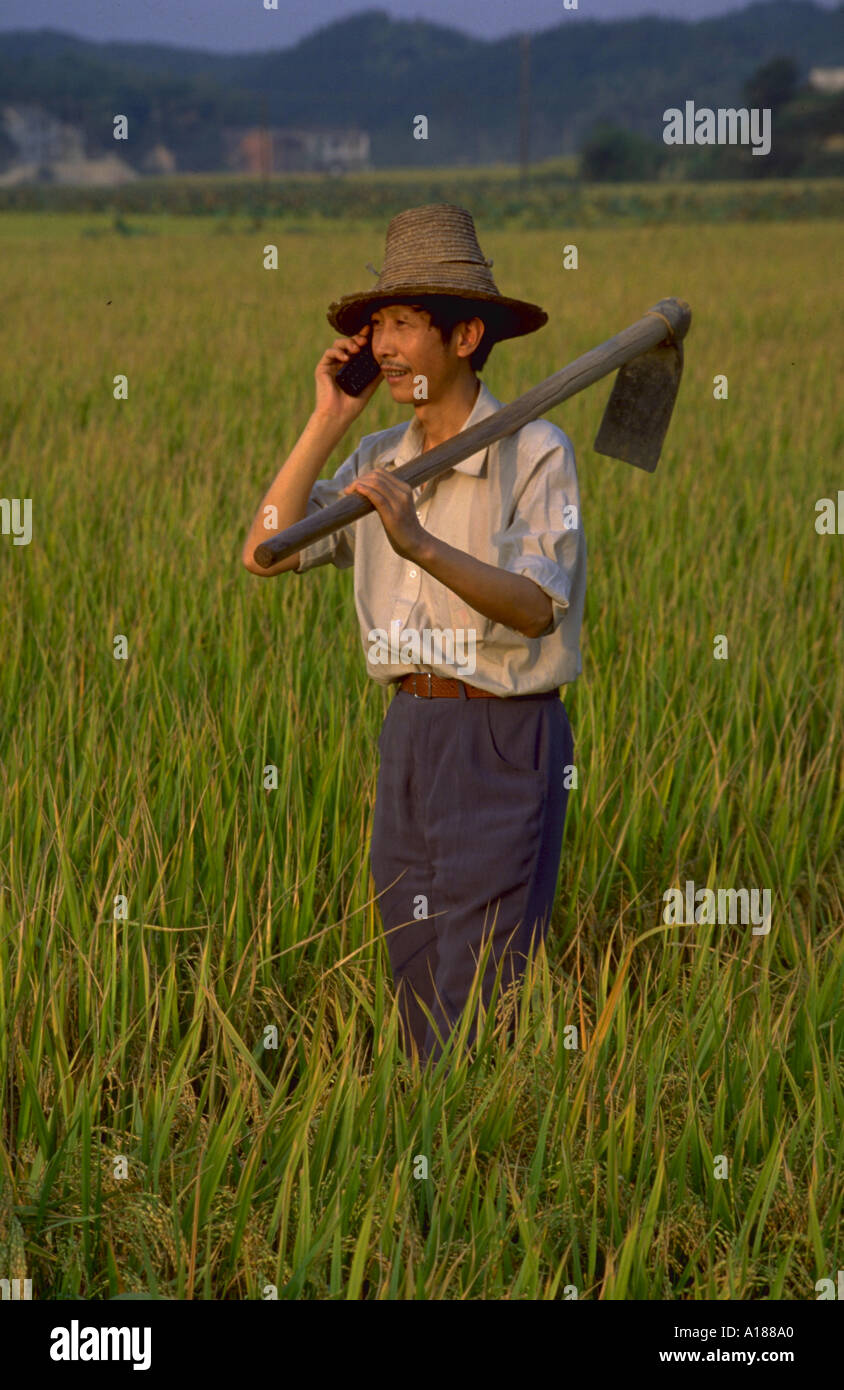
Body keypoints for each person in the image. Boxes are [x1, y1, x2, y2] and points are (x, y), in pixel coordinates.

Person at [242, 204, 586, 1065]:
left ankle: (479, 1151)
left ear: (466, 334)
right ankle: (420, 1149)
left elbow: (538, 605)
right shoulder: (378, 464)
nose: (383, 346)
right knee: (413, 964)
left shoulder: (533, 451)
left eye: (403, 324)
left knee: (482, 980)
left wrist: (419, 543)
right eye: (375, 327)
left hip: (504, 732)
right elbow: (264, 552)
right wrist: (329, 419)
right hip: (411, 730)